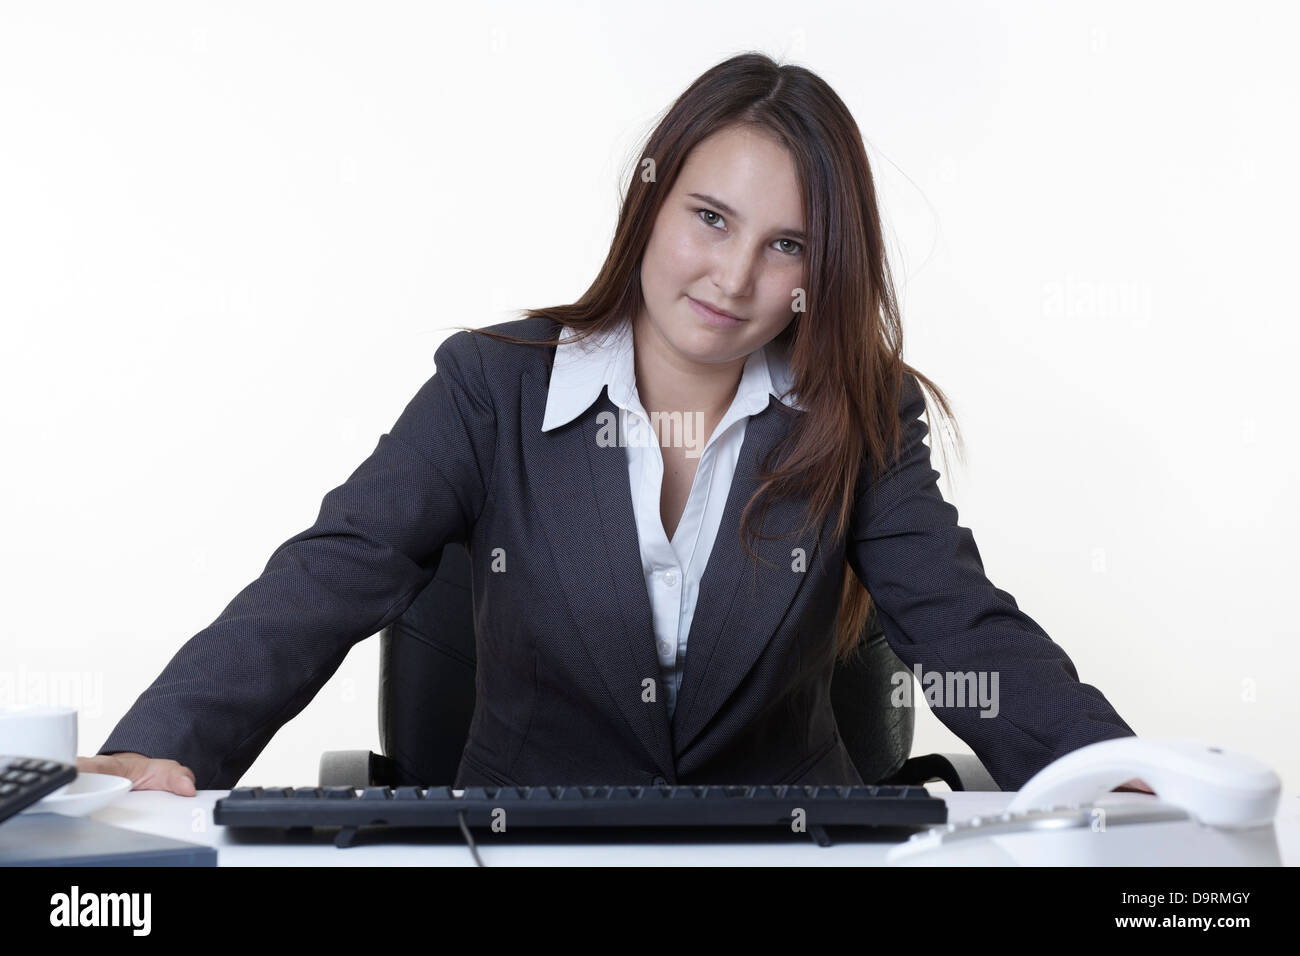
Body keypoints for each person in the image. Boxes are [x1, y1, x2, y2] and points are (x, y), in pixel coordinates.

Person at [79, 52, 1153, 796]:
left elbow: (962, 627)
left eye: (788, 246)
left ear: (819, 274)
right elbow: (330, 573)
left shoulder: (857, 412)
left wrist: (1122, 775)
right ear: (651, 202)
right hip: (525, 851)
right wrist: (163, 745)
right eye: (711, 218)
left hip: (788, 853)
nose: (734, 277)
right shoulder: (489, 386)